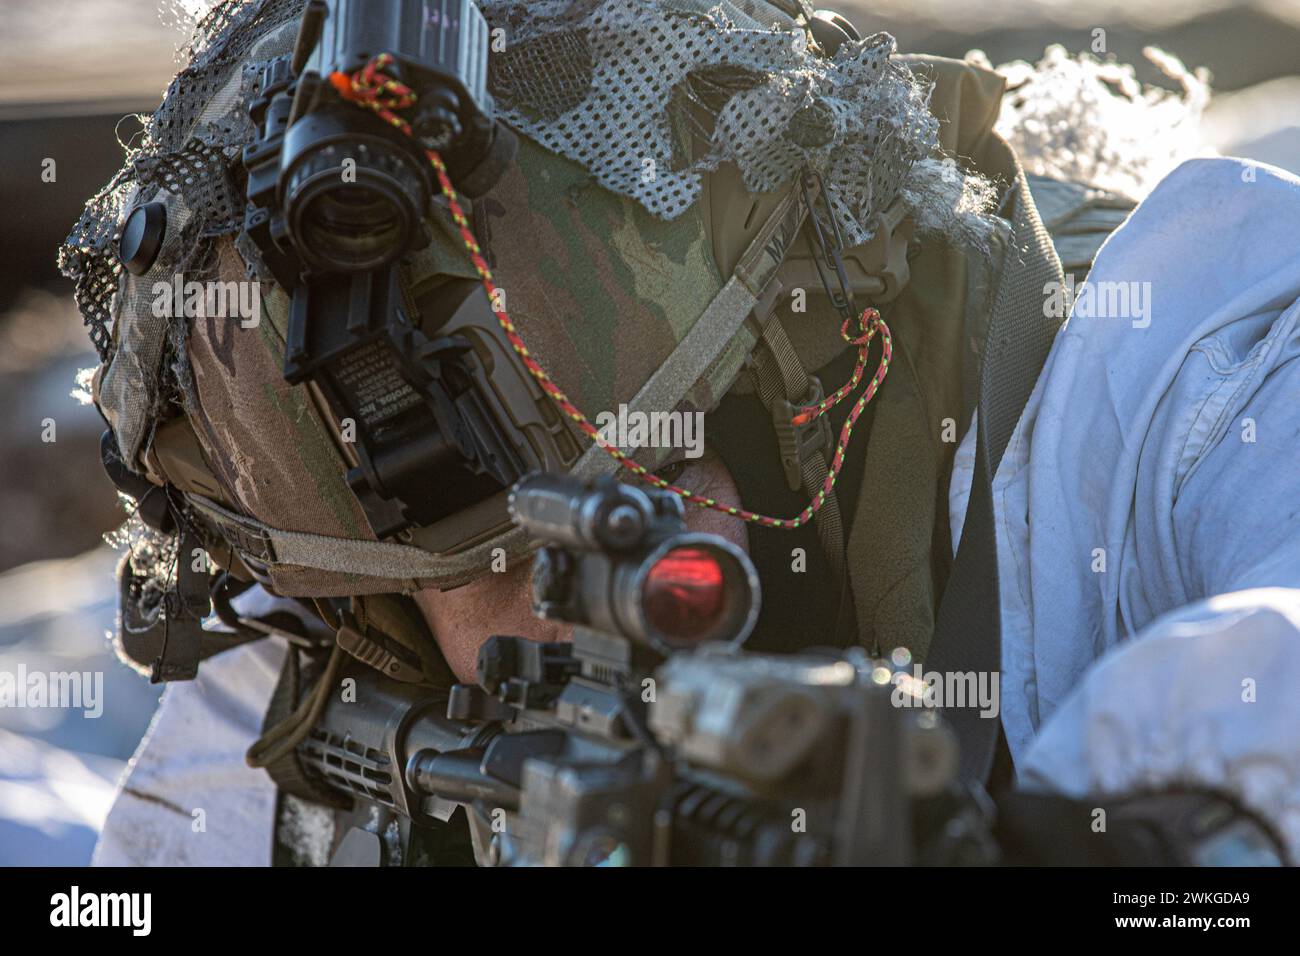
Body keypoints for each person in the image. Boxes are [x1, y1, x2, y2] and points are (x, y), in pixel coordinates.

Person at [61, 0, 1296, 866]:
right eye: (470, 567)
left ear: (802, 385)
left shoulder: (1187, 368)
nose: (551, 611)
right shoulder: (351, 658)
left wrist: (1148, 836)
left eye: (631, 494)